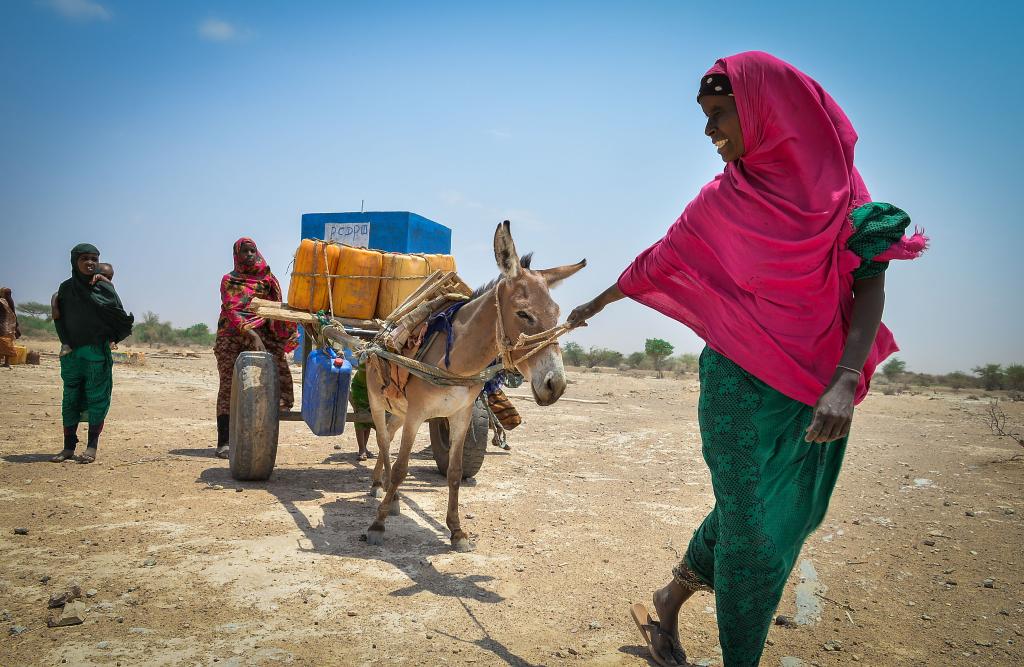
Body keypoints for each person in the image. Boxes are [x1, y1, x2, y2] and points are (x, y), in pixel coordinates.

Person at [568, 52, 927, 667]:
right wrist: (591, 307)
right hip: (736, 385)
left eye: (717, 114)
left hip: (818, 387)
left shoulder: (844, 196)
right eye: (704, 117)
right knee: (755, 532)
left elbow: (869, 284)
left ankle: (669, 596)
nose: (709, 131)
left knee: (782, 514)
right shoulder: (720, 200)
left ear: (764, 111)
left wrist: (844, 379)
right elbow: (660, 258)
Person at [214, 237, 297, 459]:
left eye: (252, 251)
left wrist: (282, 333)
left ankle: (274, 414)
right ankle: (224, 442)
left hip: (262, 332)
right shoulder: (228, 280)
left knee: (277, 365)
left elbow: (276, 307)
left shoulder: (268, 279)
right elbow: (232, 310)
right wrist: (251, 336)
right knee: (228, 385)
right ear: (236, 255)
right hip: (231, 335)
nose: (249, 255)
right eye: (245, 252)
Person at [51, 244, 134, 463]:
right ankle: (68, 446)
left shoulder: (104, 288)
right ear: (74, 261)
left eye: (94, 259)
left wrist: (112, 339)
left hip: (97, 353)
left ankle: (91, 447)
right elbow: (59, 316)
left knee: (97, 399)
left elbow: (119, 316)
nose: (90, 263)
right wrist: (65, 343)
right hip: (72, 354)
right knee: (70, 399)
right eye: (85, 259)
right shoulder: (66, 289)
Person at [54, 262, 115, 356]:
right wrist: (54, 306)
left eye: (109, 278)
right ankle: (65, 344)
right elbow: (57, 294)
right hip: (76, 334)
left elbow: (112, 292)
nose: (106, 279)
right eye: (103, 276)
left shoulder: (106, 290)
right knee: (58, 316)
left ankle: (112, 340)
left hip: (98, 339)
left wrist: (102, 279)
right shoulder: (76, 285)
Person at [0, 287, 21, 368]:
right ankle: (6, 362)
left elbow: (13, 313)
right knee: (6, 342)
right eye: (7, 294)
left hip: (6, 325)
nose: (9, 295)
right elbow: (13, 313)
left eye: (10, 294)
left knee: (6, 343)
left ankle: (7, 362)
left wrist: (16, 325)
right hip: (6, 325)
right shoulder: (4, 301)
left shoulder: (6, 301)